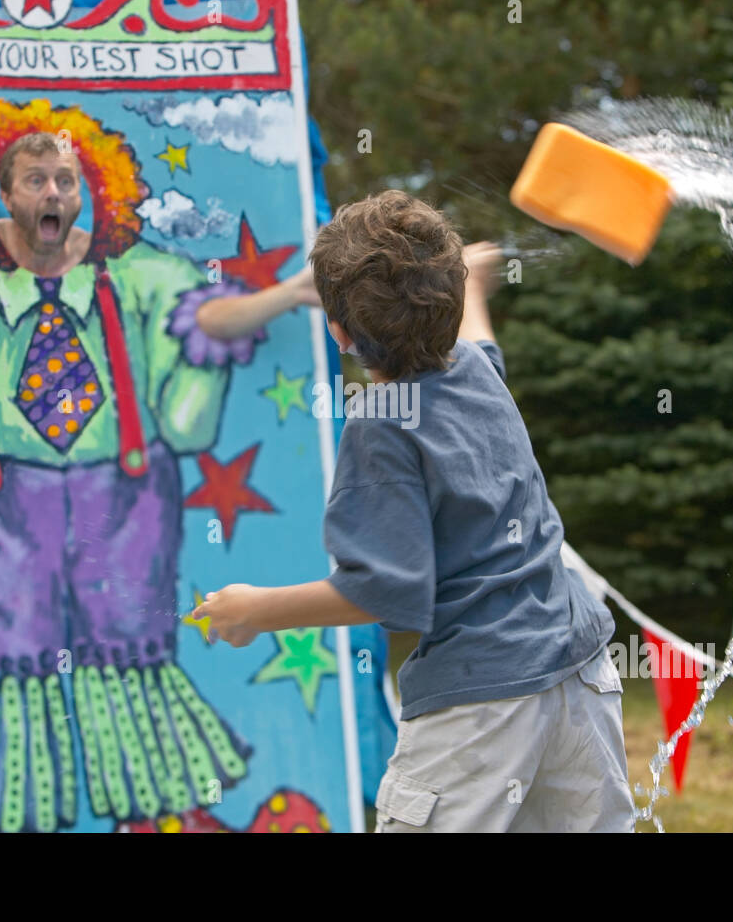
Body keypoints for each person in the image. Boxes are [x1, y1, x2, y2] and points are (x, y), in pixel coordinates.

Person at [0, 110, 319, 833]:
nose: (55, 193)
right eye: (36, 180)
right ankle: (12, 814)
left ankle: (153, 812)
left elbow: (204, 320)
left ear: (89, 191)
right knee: (8, 645)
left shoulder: (137, 273)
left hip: (123, 494)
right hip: (1, 496)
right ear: (2, 193)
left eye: (67, 181)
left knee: (128, 639)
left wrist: (289, 293)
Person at [194, 189, 636, 832]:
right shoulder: (476, 374)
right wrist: (476, 286)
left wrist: (255, 611)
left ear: (338, 332)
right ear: (451, 299)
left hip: (482, 702)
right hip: (581, 673)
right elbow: (480, 342)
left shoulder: (379, 425)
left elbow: (386, 592)